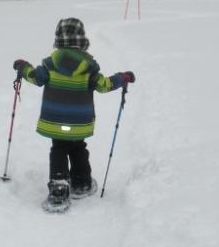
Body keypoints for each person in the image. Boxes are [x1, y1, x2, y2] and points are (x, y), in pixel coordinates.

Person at [13, 17, 135, 208]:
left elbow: (35, 78)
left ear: (58, 39)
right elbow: (104, 86)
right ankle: (81, 182)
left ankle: (59, 189)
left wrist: (23, 67)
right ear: (81, 40)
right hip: (79, 123)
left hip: (55, 121)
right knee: (78, 148)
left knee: (59, 149)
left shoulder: (50, 64)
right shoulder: (89, 67)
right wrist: (123, 78)